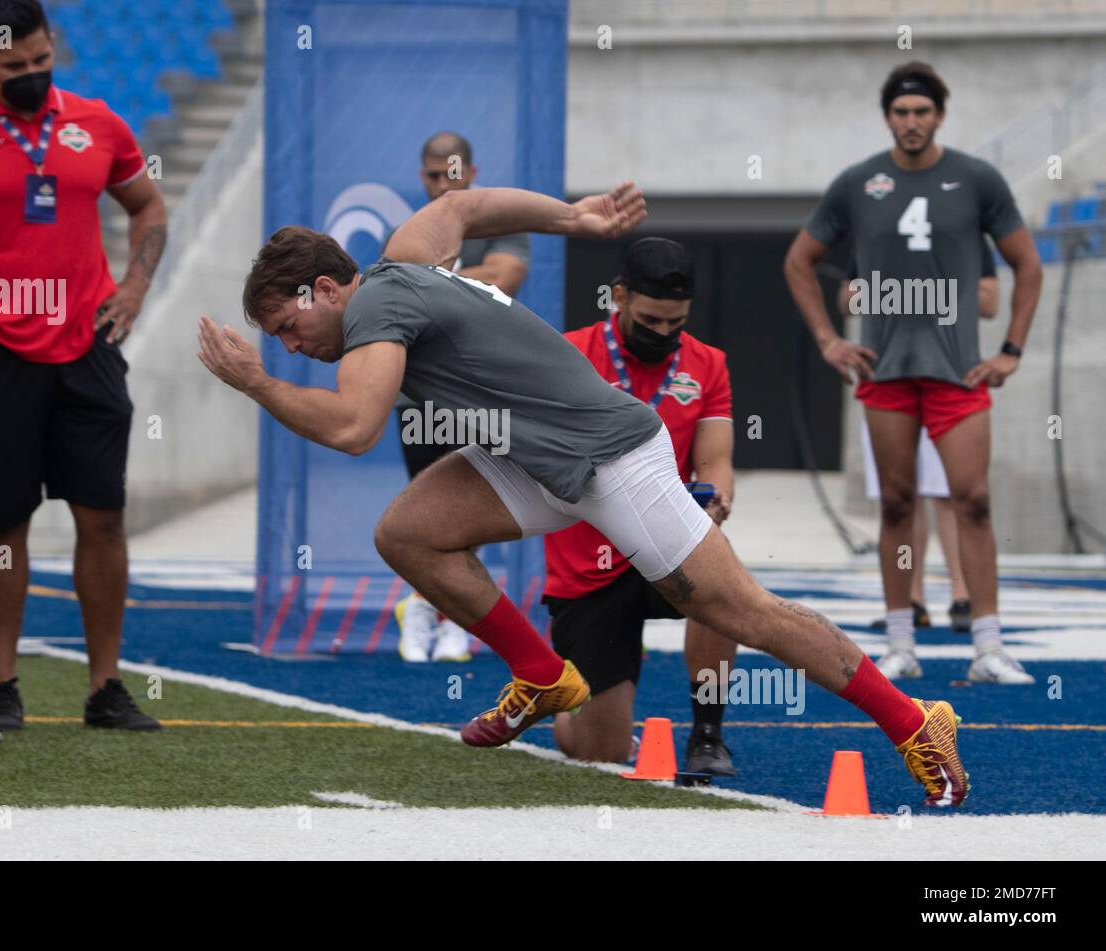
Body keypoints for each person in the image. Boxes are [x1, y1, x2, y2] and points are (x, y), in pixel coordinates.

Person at [200, 181, 970, 807]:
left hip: (610, 461)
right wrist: (568, 215)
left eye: (286, 326)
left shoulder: (374, 308)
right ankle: (541, 672)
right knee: (407, 530)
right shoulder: (405, 253)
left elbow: (355, 428)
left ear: (326, 287)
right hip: (538, 460)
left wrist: (258, 383)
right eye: (276, 345)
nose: (290, 346)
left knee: (744, 613)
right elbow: (465, 207)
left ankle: (914, 722)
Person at [0, 0, 169, 730]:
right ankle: (1, 684)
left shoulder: (97, 122)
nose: (32, 76)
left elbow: (148, 206)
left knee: (103, 516)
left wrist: (134, 286)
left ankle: (104, 688)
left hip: (89, 345)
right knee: (5, 521)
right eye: (15, 67)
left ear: (54, 48)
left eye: (41, 62)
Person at [784, 62, 1043, 685]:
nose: (911, 122)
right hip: (888, 373)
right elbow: (799, 259)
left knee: (973, 500)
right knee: (898, 504)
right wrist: (828, 340)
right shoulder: (858, 182)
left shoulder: (977, 179)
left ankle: (988, 647)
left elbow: (1027, 266)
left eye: (922, 111)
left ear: (940, 116)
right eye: (901, 112)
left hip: (957, 374)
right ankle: (900, 639)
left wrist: (1011, 350)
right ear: (887, 118)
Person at [543, 238, 739, 774]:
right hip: (588, 562)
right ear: (620, 297)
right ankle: (564, 713)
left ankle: (707, 734)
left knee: (724, 579)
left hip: (663, 538)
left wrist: (715, 504)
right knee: (600, 752)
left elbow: (716, 462)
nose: (663, 334)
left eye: (675, 323)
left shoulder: (708, 365)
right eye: (651, 319)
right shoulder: (569, 354)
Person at [394, 131, 531, 663]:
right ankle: (430, 609)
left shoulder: (501, 222)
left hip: (483, 394)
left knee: (466, 515)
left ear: (470, 174)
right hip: (419, 399)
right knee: (427, 516)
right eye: (431, 175)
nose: (440, 184)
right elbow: (396, 293)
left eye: (450, 173)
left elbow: (504, 278)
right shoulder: (410, 230)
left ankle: (442, 614)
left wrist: (428, 280)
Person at [845, 241, 998, 634]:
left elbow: (988, 301)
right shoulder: (876, 227)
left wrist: (920, 287)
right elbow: (850, 297)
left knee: (953, 493)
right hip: (891, 376)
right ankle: (912, 599)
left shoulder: (961, 228)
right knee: (899, 498)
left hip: (946, 375)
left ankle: (962, 592)